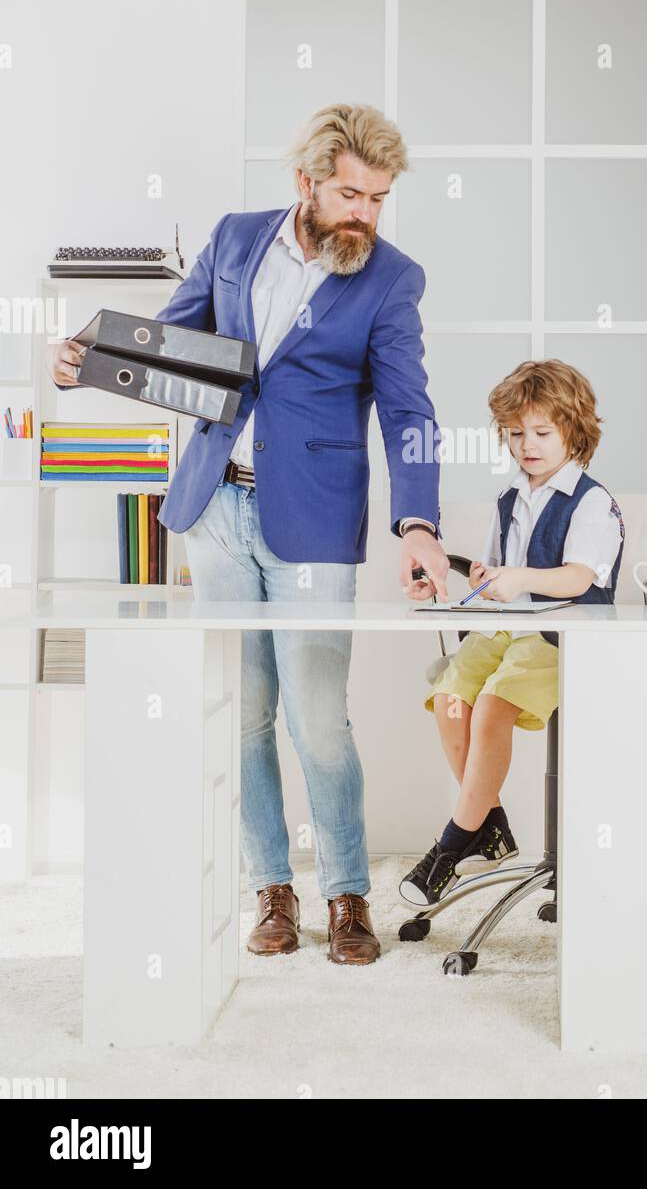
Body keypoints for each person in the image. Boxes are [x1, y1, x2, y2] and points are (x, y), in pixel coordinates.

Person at [49, 103, 451, 964]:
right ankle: (271, 890)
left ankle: (346, 896)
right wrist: (86, 363)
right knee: (242, 717)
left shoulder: (392, 278)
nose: (366, 215)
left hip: (311, 523)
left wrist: (417, 523)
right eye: (351, 194)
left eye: (379, 199)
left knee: (318, 721)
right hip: (214, 510)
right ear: (305, 182)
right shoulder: (233, 240)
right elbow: (174, 342)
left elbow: (409, 406)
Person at [399, 358, 624, 909]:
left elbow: (577, 577)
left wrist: (519, 578)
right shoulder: (508, 499)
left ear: (575, 430)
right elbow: (501, 568)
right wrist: (481, 575)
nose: (528, 444)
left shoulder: (592, 502)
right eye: (516, 433)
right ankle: (490, 825)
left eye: (543, 432)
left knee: (493, 706)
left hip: (562, 634)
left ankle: (451, 846)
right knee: (451, 699)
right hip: (507, 632)